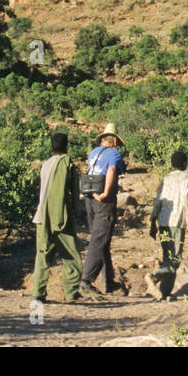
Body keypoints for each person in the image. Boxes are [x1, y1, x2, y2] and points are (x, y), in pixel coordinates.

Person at [31, 133, 82, 303]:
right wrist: (75, 210)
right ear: (66, 147)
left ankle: (38, 292)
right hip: (60, 215)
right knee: (71, 254)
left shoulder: (45, 165)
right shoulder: (67, 164)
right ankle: (71, 292)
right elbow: (74, 192)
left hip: (41, 215)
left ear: (52, 147)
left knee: (43, 254)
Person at [80, 126, 126, 297]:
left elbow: (90, 171)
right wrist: (106, 193)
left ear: (101, 140)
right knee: (100, 239)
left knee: (100, 238)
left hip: (89, 199)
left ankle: (109, 281)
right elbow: (112, 171)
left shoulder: (93, 153)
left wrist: (95, 194)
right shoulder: (114, 154)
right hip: (104, 201)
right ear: (114, 141)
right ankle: (86, 280)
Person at [147, 150, 188, 300]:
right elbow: (186, 201)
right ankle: (153, 276)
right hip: (177, 221)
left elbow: (158, 201)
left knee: (167, 257)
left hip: (163, 221)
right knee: (175, 259)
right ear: (185, 164)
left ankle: (164, 292)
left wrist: (153, 222)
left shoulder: (166, 178)